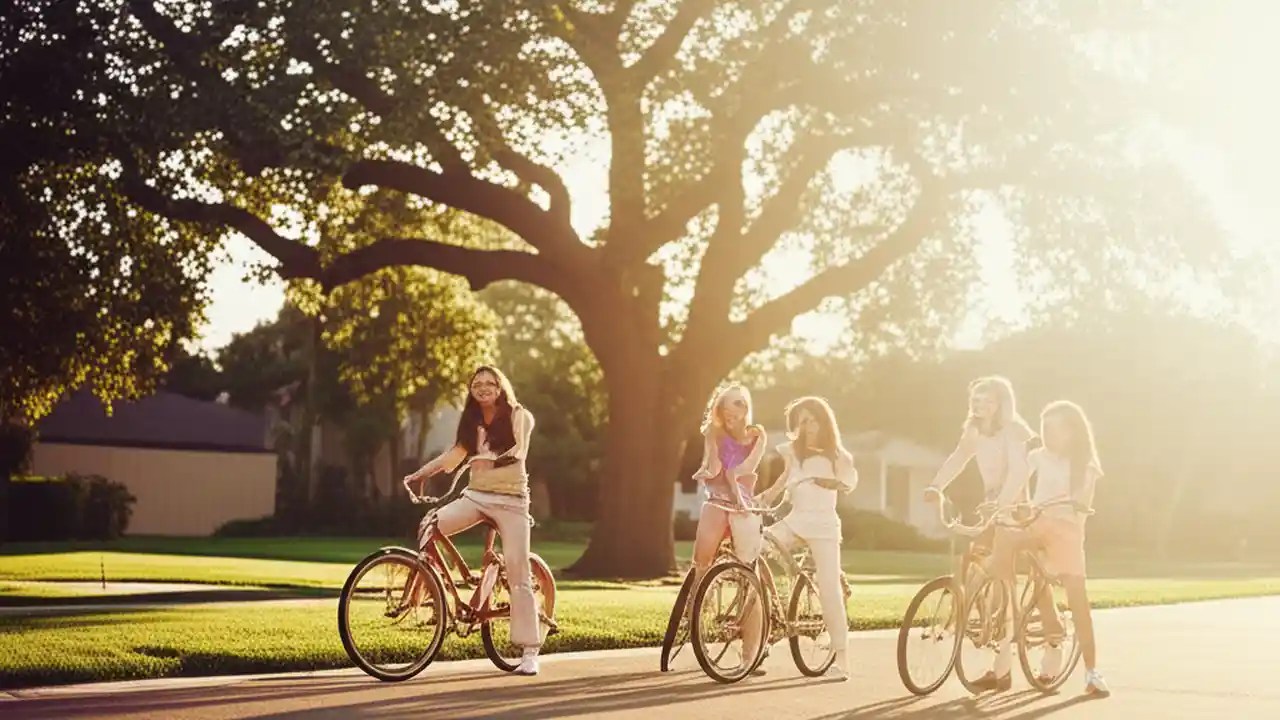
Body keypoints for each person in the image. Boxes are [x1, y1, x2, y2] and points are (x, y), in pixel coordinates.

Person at [403, 365, 543, 675]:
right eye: (476, 384)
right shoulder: (473, 421)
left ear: (499, 386)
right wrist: (419, 474)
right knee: (431, 524)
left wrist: (485, 458)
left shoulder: (520, 415)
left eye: (488, 382)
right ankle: (436, 597)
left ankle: (530, 650)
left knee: (518, 570)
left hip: (512, 502)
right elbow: (453, 456)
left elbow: (518, 452)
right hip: (476, 497)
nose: (482, 387)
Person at [923, 375, 1036, 691]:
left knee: (1001, 582)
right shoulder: (974, 430)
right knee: (972, 567)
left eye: (987, 400)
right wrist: (936, 485)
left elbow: (1019, 471)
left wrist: (1000, 504)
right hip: (991, 507)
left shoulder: (1015, 430)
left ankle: (1001, 667)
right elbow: (959, 457)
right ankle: (987, 629)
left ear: (1001, 402)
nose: (979, 405)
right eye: (976, 399)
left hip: (1014, 508)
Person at [993, 400, 1110, 697]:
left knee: (1077, 598)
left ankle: (1092, 672)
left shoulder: (1086, 465)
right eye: (1044, 428)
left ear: (1071, 432)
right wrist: (1006, 504)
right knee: (1002, 537)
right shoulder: (1037, 457)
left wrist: (1075, 509)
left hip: (1067, 533)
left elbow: (1083, 506)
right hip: (1036, 523)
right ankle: (1004, 607)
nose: (1046, 434)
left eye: (1053, 429)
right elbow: (1017, 480)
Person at [756, 397, 857, 680]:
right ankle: (759, 635)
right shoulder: (792, 452)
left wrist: (835, 483)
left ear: (824, 422)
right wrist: (764, 498)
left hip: (824, 526)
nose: (807, 426)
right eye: (801, 421)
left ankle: (842, 657)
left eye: (812, 419)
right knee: (754, 550)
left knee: (828, 589)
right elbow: (783, 481)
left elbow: (850, 482)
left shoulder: (838, 456)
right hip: (795, 521)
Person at [689, 383, 767, 666]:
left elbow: (746, 469)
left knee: (751, 574)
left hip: (743, 501)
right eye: (724, 405)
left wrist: (734, 479)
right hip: (719, 500)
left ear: (745, 407)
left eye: (736, 404)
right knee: (702, 558)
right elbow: (713, 466)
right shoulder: (714, 433)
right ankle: (698, 606)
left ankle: (752, 653)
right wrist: (706, 471)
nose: (729, 411)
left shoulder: (757, 436)